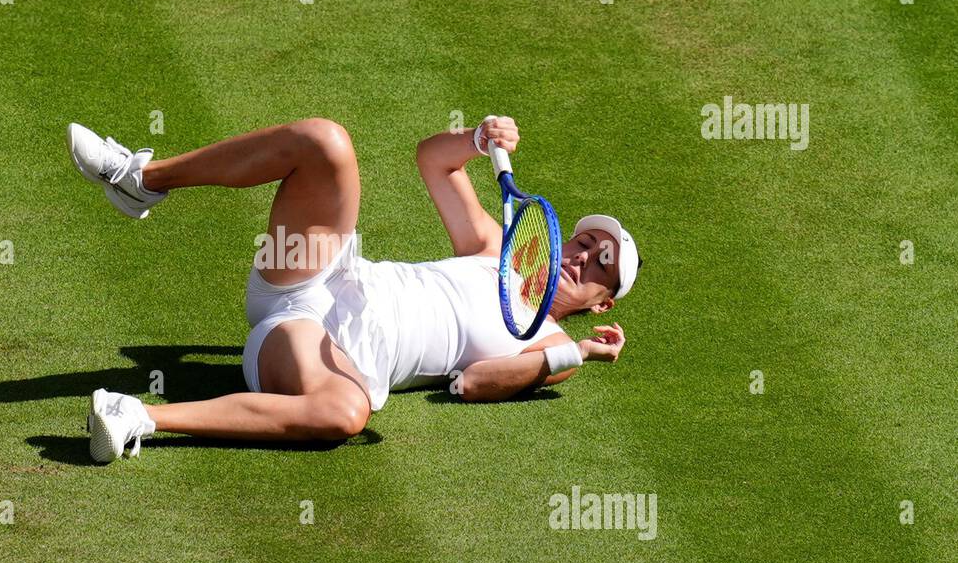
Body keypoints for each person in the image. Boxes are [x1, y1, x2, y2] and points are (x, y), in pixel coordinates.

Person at [67, 115, 638, 462]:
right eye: (585, 243)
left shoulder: (556, 346)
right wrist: (476, 137)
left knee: (345, 414)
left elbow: (476, 382)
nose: (583, 258)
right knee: (325, 142)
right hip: (316, 272)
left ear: (602, 303)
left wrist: (579, 353)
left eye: (599, 265)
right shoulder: (495, 248)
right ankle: (140, 178)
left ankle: (137, 416)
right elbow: (434, 162)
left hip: (314, 349)